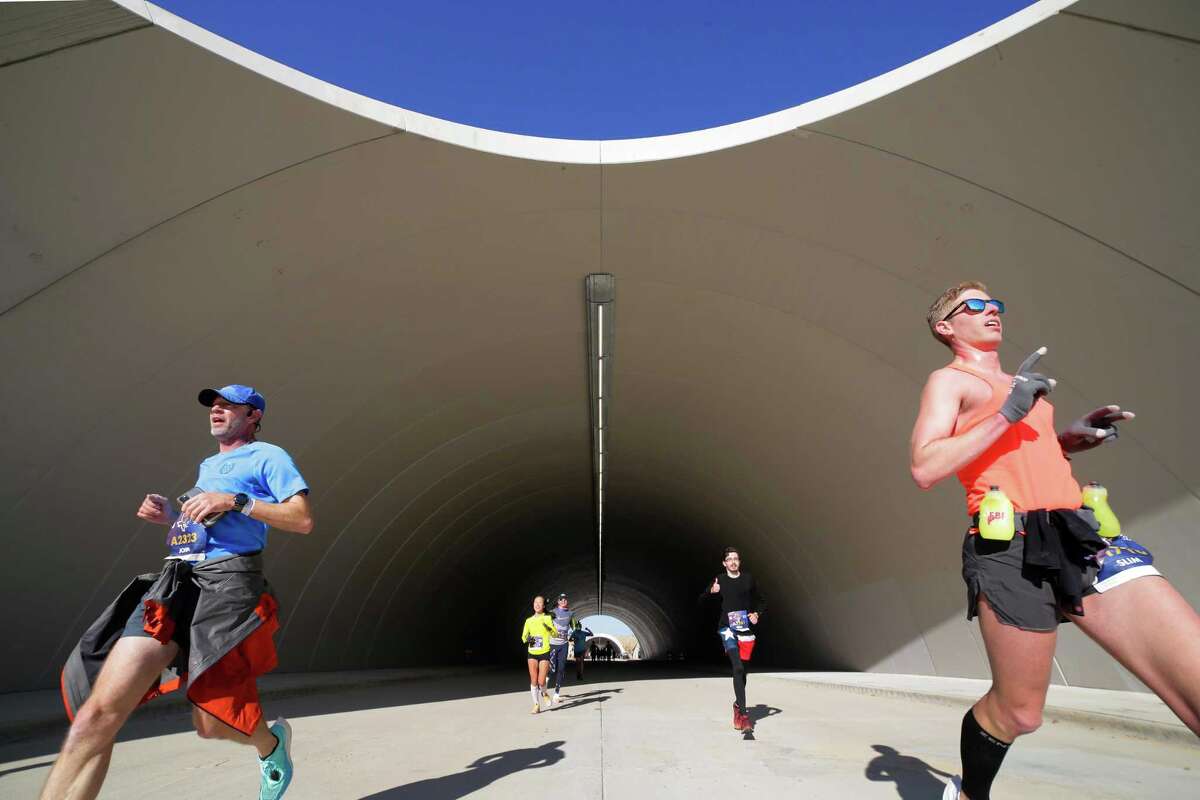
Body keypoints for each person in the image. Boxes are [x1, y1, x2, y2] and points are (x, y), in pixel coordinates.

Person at [910, 283, 1200, 800]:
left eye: (995, 303)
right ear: (946, 327)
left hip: (1077, 533)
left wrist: (1067, 440)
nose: (991, 311)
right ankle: (970, 793)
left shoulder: (1024, 388)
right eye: (974, 306)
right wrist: (1008, 412)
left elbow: (1021, 457)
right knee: (1020, 713)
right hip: (1009, 545)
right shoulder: (950, 381)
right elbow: (925, 466)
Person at [43, 385, 313, 800]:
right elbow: (206, 529)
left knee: (214, 721)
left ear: (254, 416)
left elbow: (301, 519)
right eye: (213, 406)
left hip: (228, 584)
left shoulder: (269, 456)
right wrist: (171, 516)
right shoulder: (208, 464)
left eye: (228, 406)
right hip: (177, 580)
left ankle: (271, 746)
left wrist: (237, 500)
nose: (216, 411)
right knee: (95, 714)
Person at [699, 547, 765, 732]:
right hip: (726, 629)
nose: (733, 562)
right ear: (724, 563)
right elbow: (700, 601)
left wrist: (756, 614)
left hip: (744, 629)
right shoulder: (719, 579)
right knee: (736, 666)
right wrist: (712, 592)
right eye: (729, 559)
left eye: (736, 558)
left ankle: (737, 705)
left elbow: (761, 600)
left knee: (743, 671)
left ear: (739, 561)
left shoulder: (748, 579)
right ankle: (744, 716)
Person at [521, 595, 557, 714]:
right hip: (532, 652)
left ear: (543, 605)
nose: (537, 604)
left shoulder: (547, 618)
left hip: (544, 652)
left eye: (539, 603)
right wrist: (528, 639)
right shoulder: (528, 620)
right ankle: (536, 705)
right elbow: (523, 637)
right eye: (535, 602)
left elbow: (555, 634)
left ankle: (544, 693)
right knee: (534, 680)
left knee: (541, 681)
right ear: (533, 605)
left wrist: (549, 628)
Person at [546, 593, 576, 703]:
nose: (563, 600)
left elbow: (574, 627)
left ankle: (556, 694)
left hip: (564, 644)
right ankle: (544, 687)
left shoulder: (571, 613)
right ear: (558, 601)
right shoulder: (553, 612)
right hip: (553, 644)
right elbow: (544, 621)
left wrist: (574, 633)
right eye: (561, 599)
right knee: (552, 669)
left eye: (565, 599)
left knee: (561, 669)